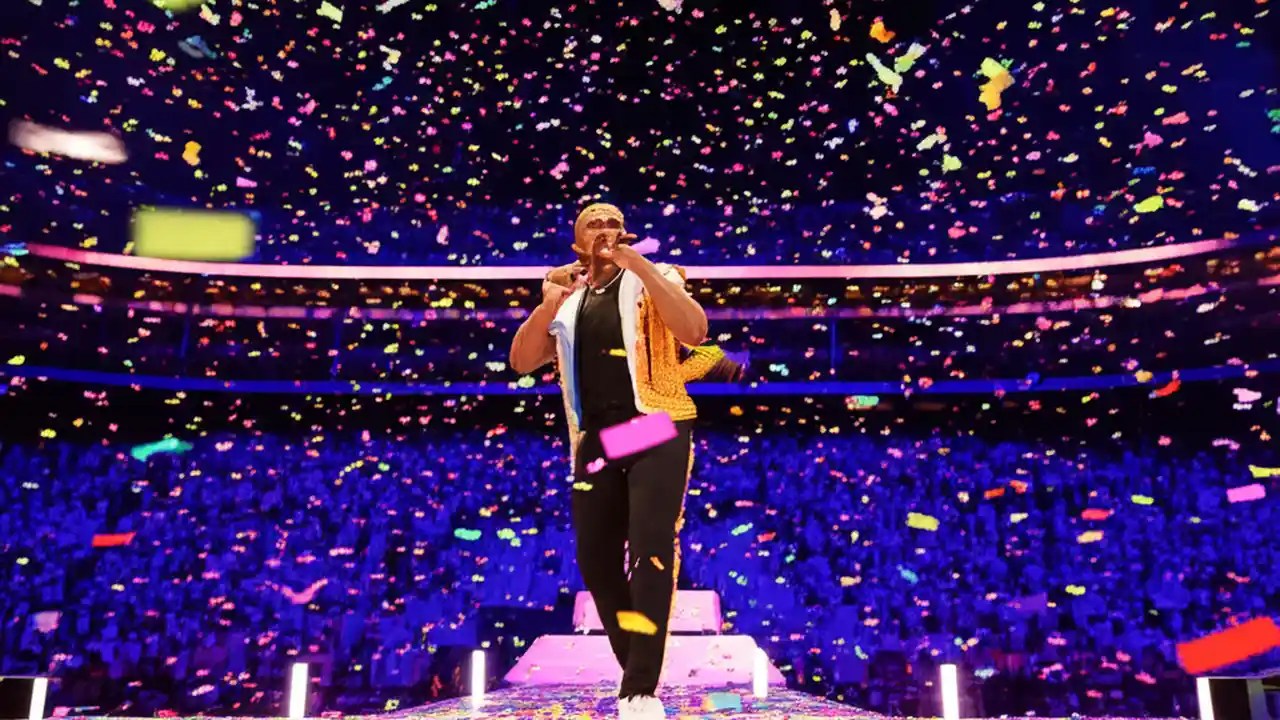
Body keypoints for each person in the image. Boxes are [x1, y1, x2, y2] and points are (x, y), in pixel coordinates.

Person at [509, 202, 714, 719]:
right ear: (576, 243)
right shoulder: (570, 300)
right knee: (596, 559)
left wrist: (639, 264)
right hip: (598, 438)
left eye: (613, 222)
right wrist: (547, 303)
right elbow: (522, 361)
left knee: (649, 546)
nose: (605, 228)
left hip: (654, 421)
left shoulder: (652, 279)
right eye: (593, 223)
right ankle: (635, 669)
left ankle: (640, 689)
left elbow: (695, 332)